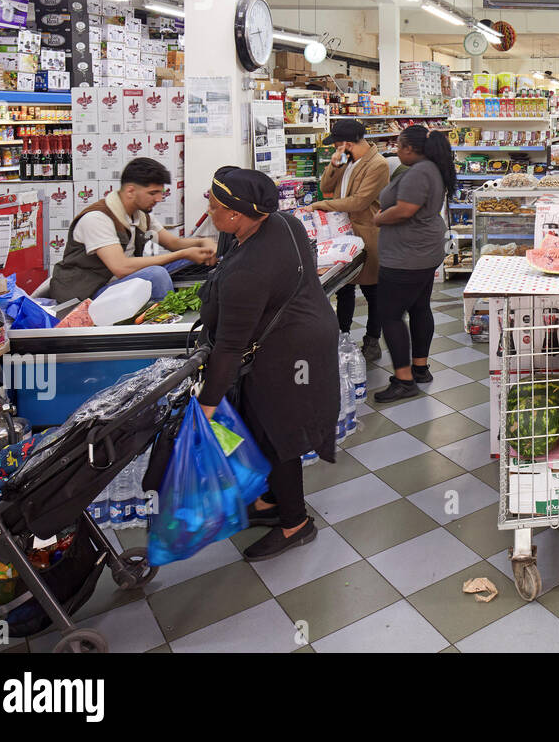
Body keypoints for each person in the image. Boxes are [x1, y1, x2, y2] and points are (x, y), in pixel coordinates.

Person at [196, 166, 340, 561]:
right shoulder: (281, 222)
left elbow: (229, 345)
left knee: (277, 434)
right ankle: (266, 502)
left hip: (290, 351)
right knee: (258, 425)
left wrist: (206, 405)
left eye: (213, 201)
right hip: (304, 331)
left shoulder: (249, 271)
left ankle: (295, 523)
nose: (206, 205)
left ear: (235, 215)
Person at [48, 158, 215, 306]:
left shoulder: (140, 214)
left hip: (119, 280)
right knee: (156, 274)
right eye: (152, 193)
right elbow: (121, 267)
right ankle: (164, 327)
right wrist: (183, 254)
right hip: (88, 293)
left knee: (203, 256)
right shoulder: (97, 218)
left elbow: (173, 244)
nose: (158, 199)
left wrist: (204, 243)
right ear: (130, 191)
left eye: (160, 193)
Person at [372, 124, 457, 402]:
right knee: (420, 307)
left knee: (390, 315)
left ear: (410, 148)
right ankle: (420, 368)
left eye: (398, 146)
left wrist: (379, 218)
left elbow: (405, 210)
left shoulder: (419, 172)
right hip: (423, 251)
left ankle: (404, 379)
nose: (396, 151)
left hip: (406, 256)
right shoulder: (432, 168)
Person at [310, 119, 392, 360]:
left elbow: (359, 202)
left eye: (336, 145)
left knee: (372, 291)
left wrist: (320, 205)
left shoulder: (378, 165)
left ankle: (372, 341)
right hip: (341, 233)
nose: (335, 148)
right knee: (343, 288)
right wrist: (334, 164)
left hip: (366, 234)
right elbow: (326, 185)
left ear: (345, 142)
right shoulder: (345, 159)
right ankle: (342, 337)